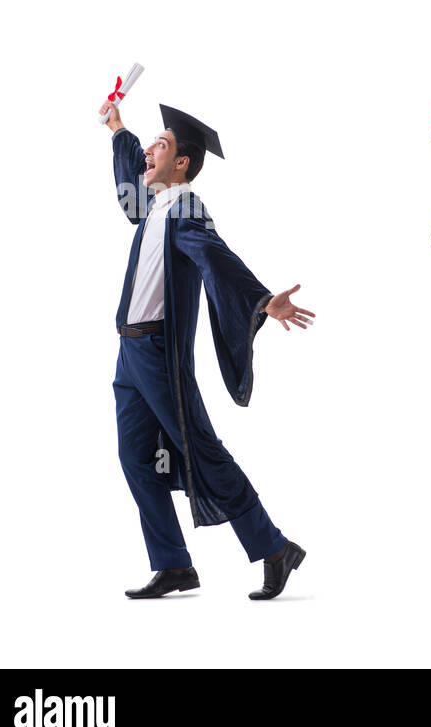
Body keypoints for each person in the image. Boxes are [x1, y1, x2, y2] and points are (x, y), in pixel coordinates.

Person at [100, 100, 315, 600]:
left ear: (181, 164)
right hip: (128, 354)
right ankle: (173, 564)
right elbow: (130, 189)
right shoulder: (153, 204)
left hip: (158, 351)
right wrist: (118, 130)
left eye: (161, 144)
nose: (149, 150)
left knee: (201, 449)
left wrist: (261, 301)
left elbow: (216, 257)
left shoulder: (187, 209)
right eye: (151, 141)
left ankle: (274, 547)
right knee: (136, 456)